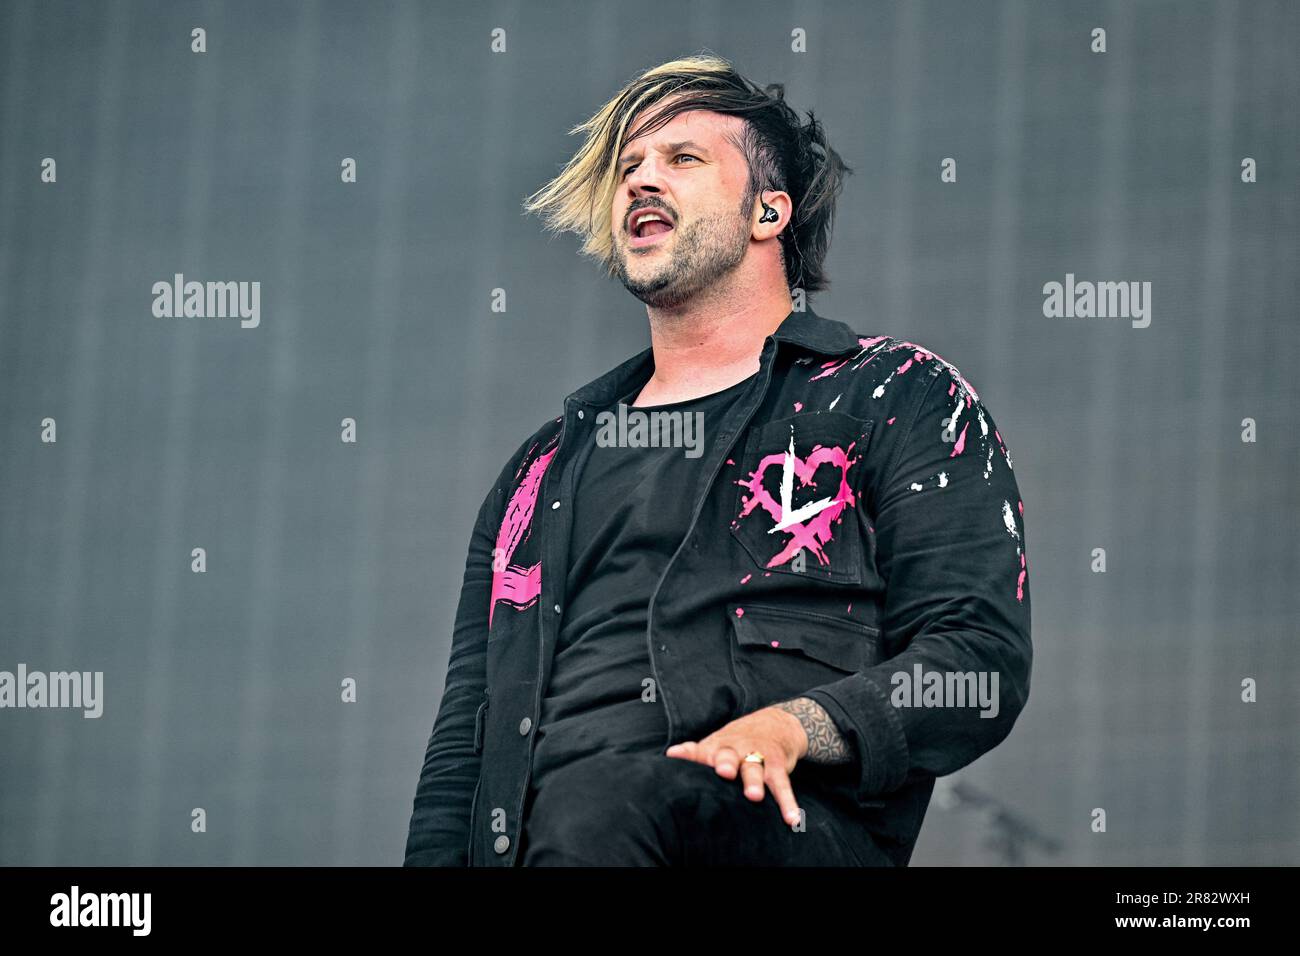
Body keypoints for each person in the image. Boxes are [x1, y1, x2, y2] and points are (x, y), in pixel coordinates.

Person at [403, 52, 1032, 867]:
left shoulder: (894, 395)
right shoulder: (542, 471)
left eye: (682, 158)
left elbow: (976, 661)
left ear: (768, 213)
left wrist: (794, 727)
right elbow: (466, 737)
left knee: (608, 801)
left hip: (769, 837)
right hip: (549, 842)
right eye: (628, 165)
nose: (638, 180)